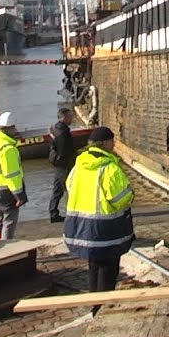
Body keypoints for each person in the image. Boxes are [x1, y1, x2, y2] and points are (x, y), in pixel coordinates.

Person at [64, 127, 135, 292]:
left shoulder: (79, 166)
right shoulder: (110, 168)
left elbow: (69, 186)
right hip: (106, 231)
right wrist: (131, 194)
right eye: (112, 141)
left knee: (94, 267)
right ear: (104, 143)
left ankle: (94, 303)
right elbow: (120, 199)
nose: (113, 145)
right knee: (108, 272)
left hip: (82, 228)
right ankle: (102, 307)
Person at [48, 107, 77, 223]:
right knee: (70, 189)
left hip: (57, 164)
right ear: (65, 117)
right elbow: (66, 150)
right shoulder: (64, 132)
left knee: (57, 190)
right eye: (70, 117)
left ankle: (53, 212)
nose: (72, 119)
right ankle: (72, 213)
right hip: (64, 164)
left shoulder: (55, 129)